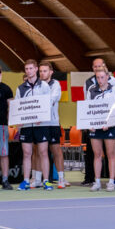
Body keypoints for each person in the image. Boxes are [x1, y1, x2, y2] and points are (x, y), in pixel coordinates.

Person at [16, 60, 52, 190]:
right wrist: (18, 121)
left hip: (41, 125)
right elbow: (18, 107)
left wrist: (41, 117)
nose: (29, 71)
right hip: (26, 126)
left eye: (31, 68)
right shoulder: (20, 88)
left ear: (36, 69)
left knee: (43, 152)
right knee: (27, 153)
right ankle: (26, 180)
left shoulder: (44, 86)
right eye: (26, 69)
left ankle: (46, 181)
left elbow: (48, 104)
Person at [85, 69, 115, 191]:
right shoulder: (91, 90)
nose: (100, 80)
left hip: (110, 127)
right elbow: (87, 108)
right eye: (98, 78)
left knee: (111, 155)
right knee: (97, 154)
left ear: (107, 77)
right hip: (95, 128)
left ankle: (111, 182)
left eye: (102, 77)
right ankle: (97, 182)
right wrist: (90, 123)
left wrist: (110, 124)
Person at [38, 61, 66, 189]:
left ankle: (61, 179)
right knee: (39, 152)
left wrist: (41, 102)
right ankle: (38, 179)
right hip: (39, 123)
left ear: (51, 72)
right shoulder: (36, 85)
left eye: (45, 71)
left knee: (56, 151)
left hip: (52, 123)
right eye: (41, 71)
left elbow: (52, 99)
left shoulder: (56, 84)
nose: (42, 73)